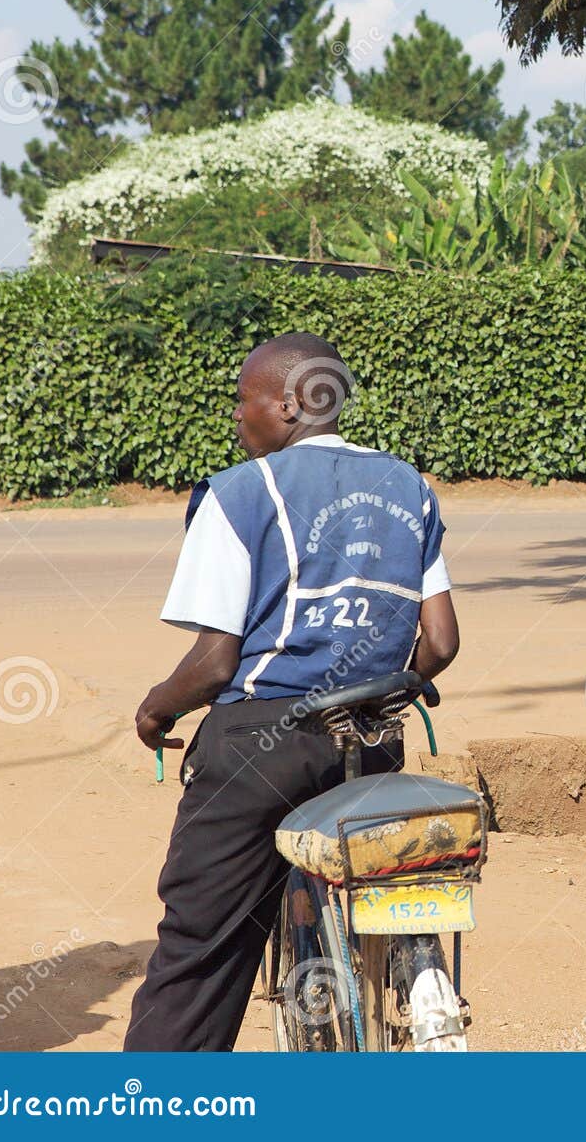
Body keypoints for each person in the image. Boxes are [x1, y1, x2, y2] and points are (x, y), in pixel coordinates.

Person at [124, 332, 460, 1051]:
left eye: (242, 402)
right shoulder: (410, 485)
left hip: (258, 745)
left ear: (287, 402)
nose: (237, 419)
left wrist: (156, 708)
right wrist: (377, 692)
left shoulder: (242, 491)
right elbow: (441, 643)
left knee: (200, 946)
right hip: (371, 736)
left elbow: (215, 663)